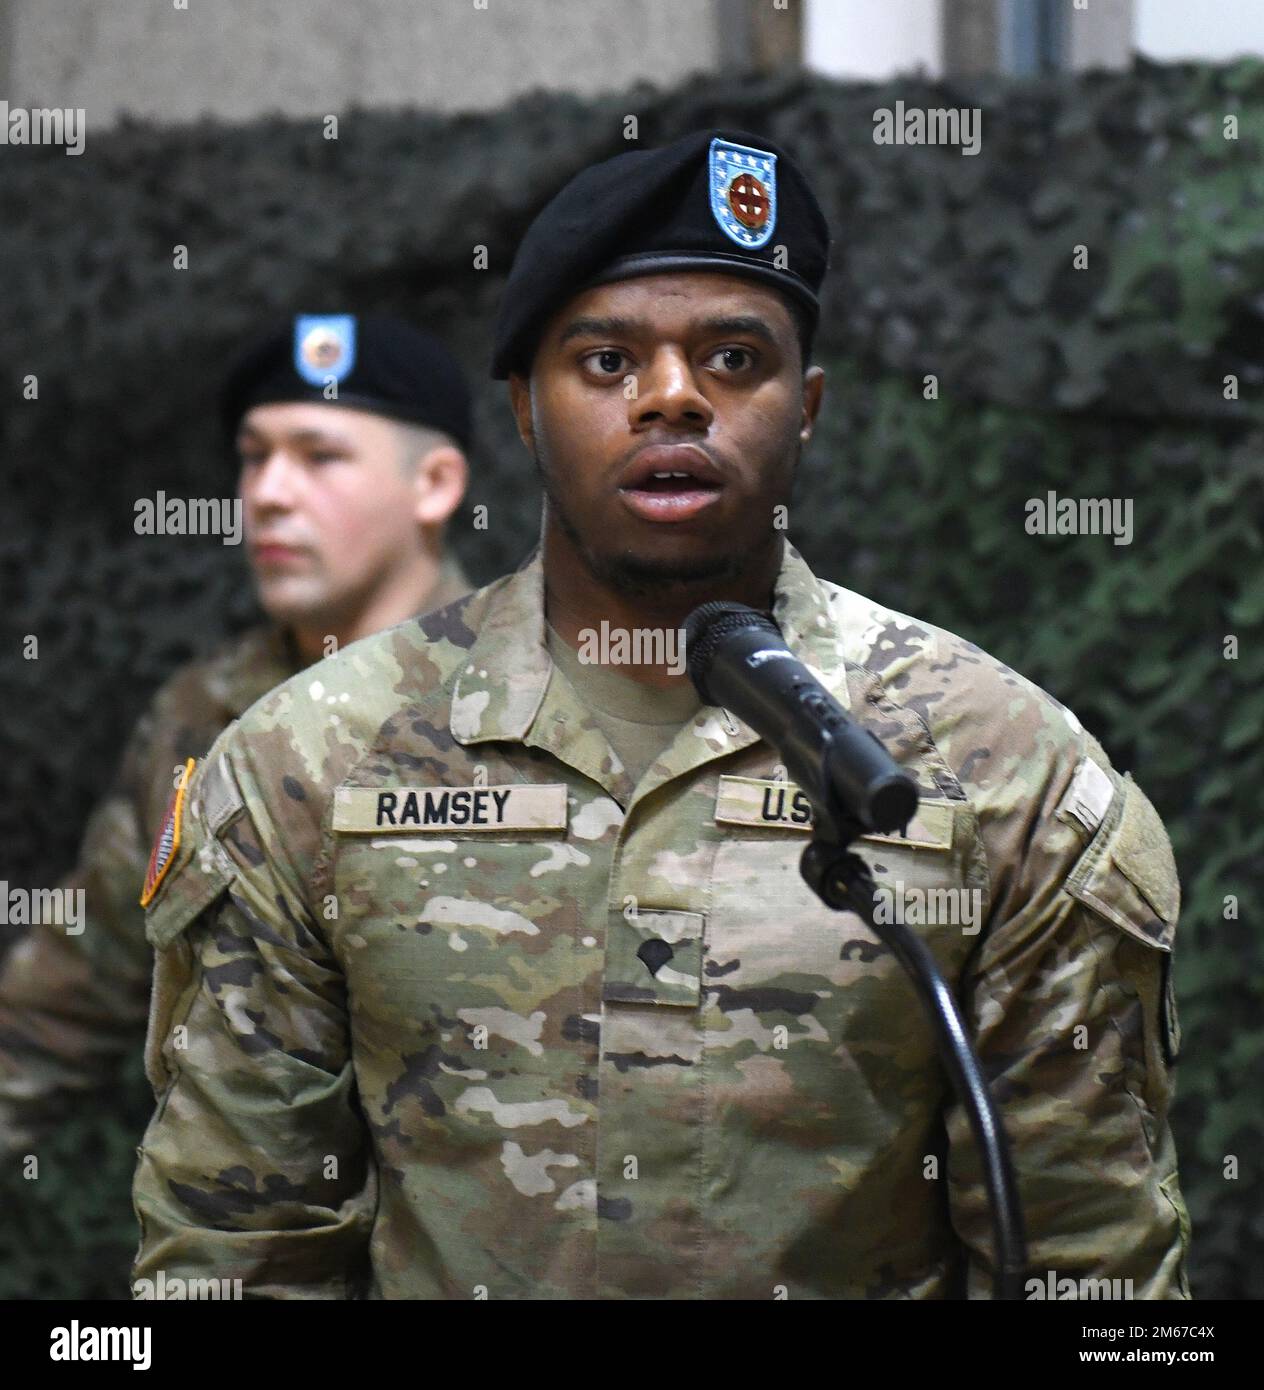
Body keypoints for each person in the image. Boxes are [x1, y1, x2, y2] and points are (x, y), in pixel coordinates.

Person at [131, 133, 1190, 1300]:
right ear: (526, 412)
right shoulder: (308, 761)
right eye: (604, 362)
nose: (674, 396)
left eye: (735, 358)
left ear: (808, 409)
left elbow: (1089, 1267)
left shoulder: (999, 767)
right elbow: (238, 1251)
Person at [0, 313, 473, 1160]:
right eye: (256, 457)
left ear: (434, 485)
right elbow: (63, 1003)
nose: (268, 493)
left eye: (319, 456)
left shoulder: (526, 702)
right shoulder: (205, 715)